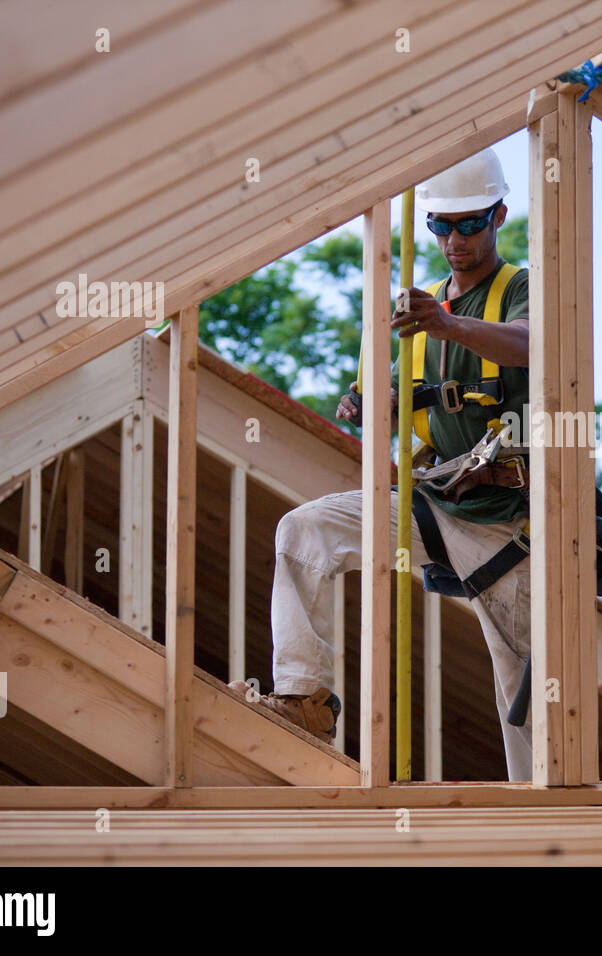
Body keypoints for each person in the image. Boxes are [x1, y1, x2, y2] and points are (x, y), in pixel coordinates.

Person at [229, 148, 536, 780]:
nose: (454, 240)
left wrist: (446, 323)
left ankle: (543, 820)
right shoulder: (414, 317)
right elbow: (402, 404)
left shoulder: (519, 288)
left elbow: (538, 344)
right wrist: (375, 404)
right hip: (435, 501)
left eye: (469, 224)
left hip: (509, 522)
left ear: (499, 215)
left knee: (530, 698)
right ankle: (303, 698)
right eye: (440, 227)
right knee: (304, 530)